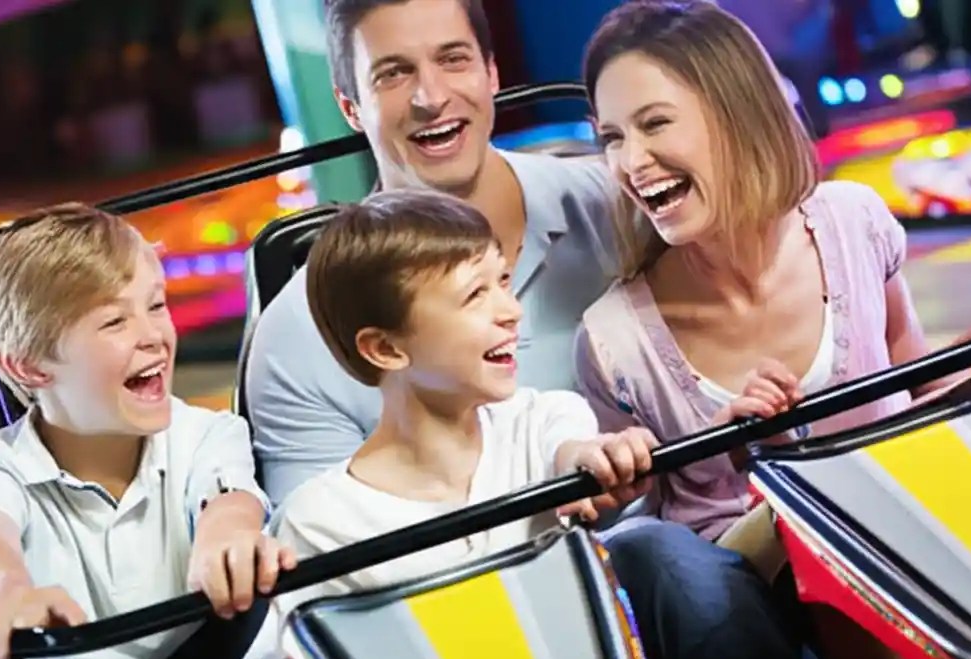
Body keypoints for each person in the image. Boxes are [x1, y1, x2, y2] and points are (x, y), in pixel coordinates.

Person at [244, 1, 836, 659]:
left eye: (453, 59)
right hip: (440, 650)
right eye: (394, 74)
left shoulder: (622, 202)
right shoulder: (297, 332)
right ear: (349, 104)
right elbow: (331, 584)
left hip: (656, 587)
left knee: (667, 555)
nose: (431, 96)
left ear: (493, 72)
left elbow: (773, 264)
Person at [574, 1, 971, 659]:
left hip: (907, 530)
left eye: (655, 124)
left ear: (736, 112)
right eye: (611, 137)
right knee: (835, 538)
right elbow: (645, 537)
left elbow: (923, 387)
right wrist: (740, 449)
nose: (630, 162)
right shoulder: (613, 340)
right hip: (752, 596)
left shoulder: (851, 223)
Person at [273, 189, 804, 618]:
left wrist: (596, 462)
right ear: (386, 348)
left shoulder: (539, 419)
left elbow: (568, 448)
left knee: (651, 545)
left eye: (502, 281)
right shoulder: (322, 523)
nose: (511, 312)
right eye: (474, 295)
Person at [0, 203, 318, 659]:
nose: (153, 335)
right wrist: (4, 585)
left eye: (156, 305)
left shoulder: (205, 436)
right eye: (115, 320)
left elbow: (228, 498)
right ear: (27, 364)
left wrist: (227, 537)